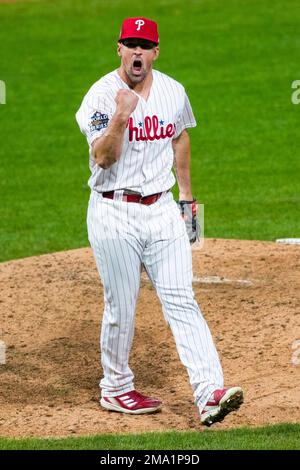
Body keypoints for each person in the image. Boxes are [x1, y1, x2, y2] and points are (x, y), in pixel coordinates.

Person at [75, 16, 244, 426]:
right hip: (114, 211)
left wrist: (187, 198)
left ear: (155, 51)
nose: (137, 52)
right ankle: (115, 388)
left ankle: (210, 394)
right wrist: (120, 115)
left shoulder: (173, 91)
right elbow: (103, 157)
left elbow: (180, 136)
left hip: (164, 208)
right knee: (122, 307)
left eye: (144, 45)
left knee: (182, 299)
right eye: (130, 44)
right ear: (119, 48)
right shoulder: (100, 96)